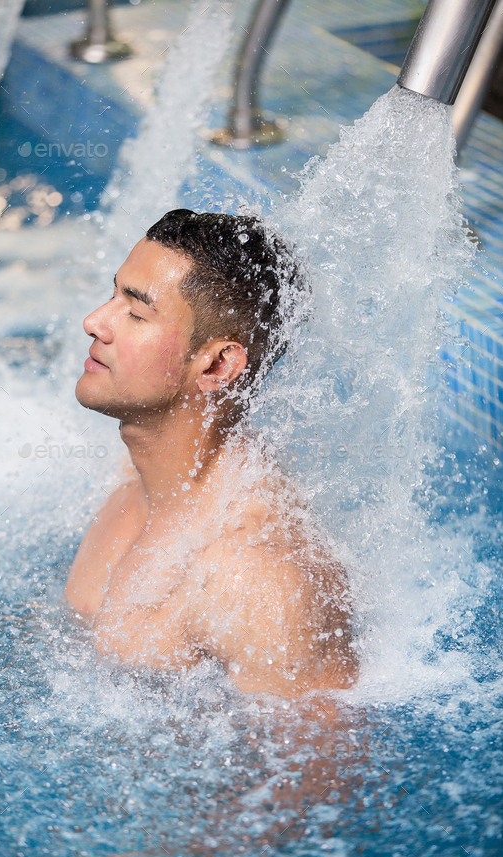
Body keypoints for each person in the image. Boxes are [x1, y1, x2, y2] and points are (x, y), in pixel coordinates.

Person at [65, 209, 357, 696]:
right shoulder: (140, 469)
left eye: (136, 313)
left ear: (218, 365)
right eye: (112, 294)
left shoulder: (258, 580)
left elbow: (315, 769)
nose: (94, 321)